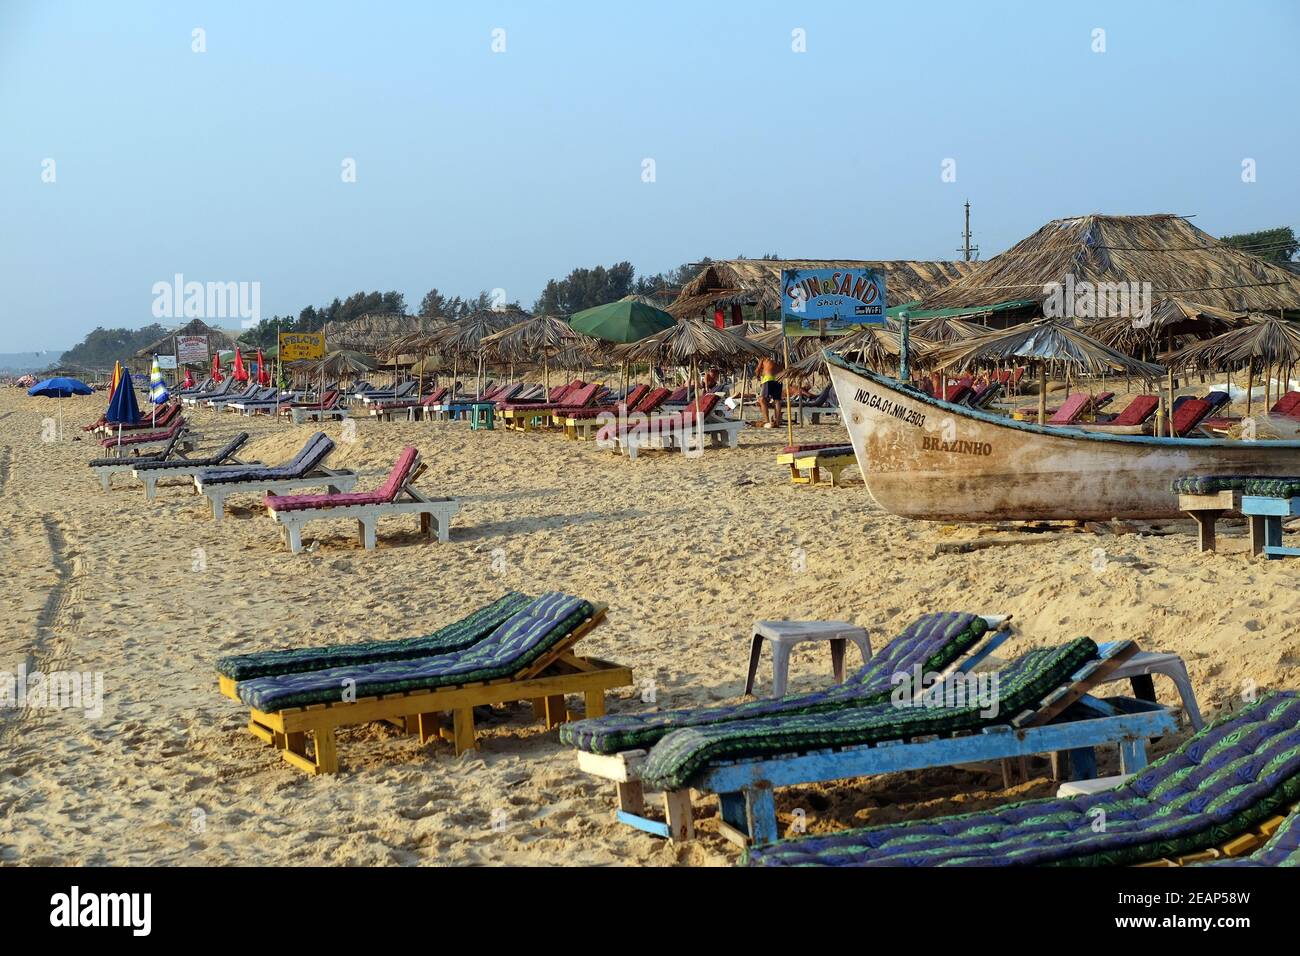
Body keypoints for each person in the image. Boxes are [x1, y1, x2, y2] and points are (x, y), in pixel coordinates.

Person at [757, 356, 784, 428]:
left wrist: (758, 374)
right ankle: (778, 421)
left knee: (762, 399)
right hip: (779, 379)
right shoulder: (781, 357)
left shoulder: (764, 357)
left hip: (768, 378)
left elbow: (758, 369)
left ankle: (766, 420)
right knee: (777, 401)